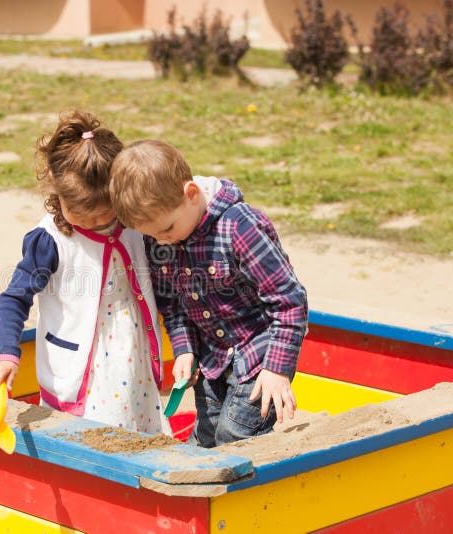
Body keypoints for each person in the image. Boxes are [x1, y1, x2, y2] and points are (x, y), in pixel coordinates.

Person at [109, 139, 308, 447]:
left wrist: (277, 370)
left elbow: (289, 300)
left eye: (166, 230)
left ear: (191, 195)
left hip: (260, 353)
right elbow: (173, 306)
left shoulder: (239, 227)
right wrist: (185, 349)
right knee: (207, 434)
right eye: (150, 236)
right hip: (213, 357)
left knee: (236, 434)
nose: (161, 242)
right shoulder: (160, 240)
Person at [0, 111, 170, 435]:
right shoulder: (50, 240)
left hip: (132, 350)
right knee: (95, 435)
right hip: (81, 363)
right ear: (57, 195)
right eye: (84, 215)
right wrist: (5, 353)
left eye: (106, 213)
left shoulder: (135, 221)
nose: (98, 223)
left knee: (138, 428)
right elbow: (15, 298)